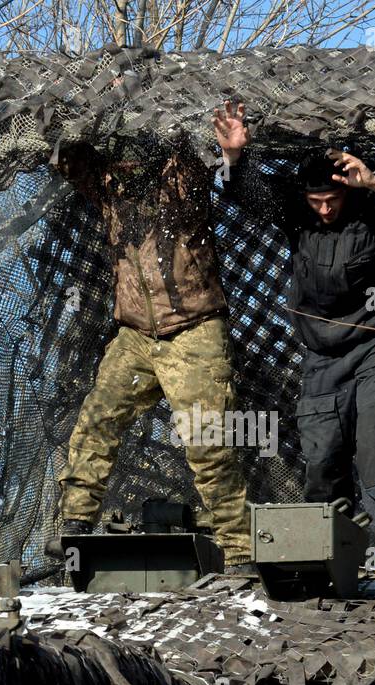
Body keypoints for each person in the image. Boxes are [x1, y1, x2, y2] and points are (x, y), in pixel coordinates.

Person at [212, 101, 375, 583]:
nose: (323, 209)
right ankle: (328, 551)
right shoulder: (297, 214)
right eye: (315, 201)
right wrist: (235, 159)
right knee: (323, 453)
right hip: (322, 354)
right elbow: (248, 196)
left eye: (331, 201)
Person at [46, 136, 253, 571]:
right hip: (136, 333)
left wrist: (227, 152)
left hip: (193, 330)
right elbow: (68, 158)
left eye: (135, 159)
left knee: (208, 443)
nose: (127, 168)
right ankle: (76, 528)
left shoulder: (181, 176)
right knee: (98, 419)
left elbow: (209, 159)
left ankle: (239, 552)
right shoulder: (108, 185)